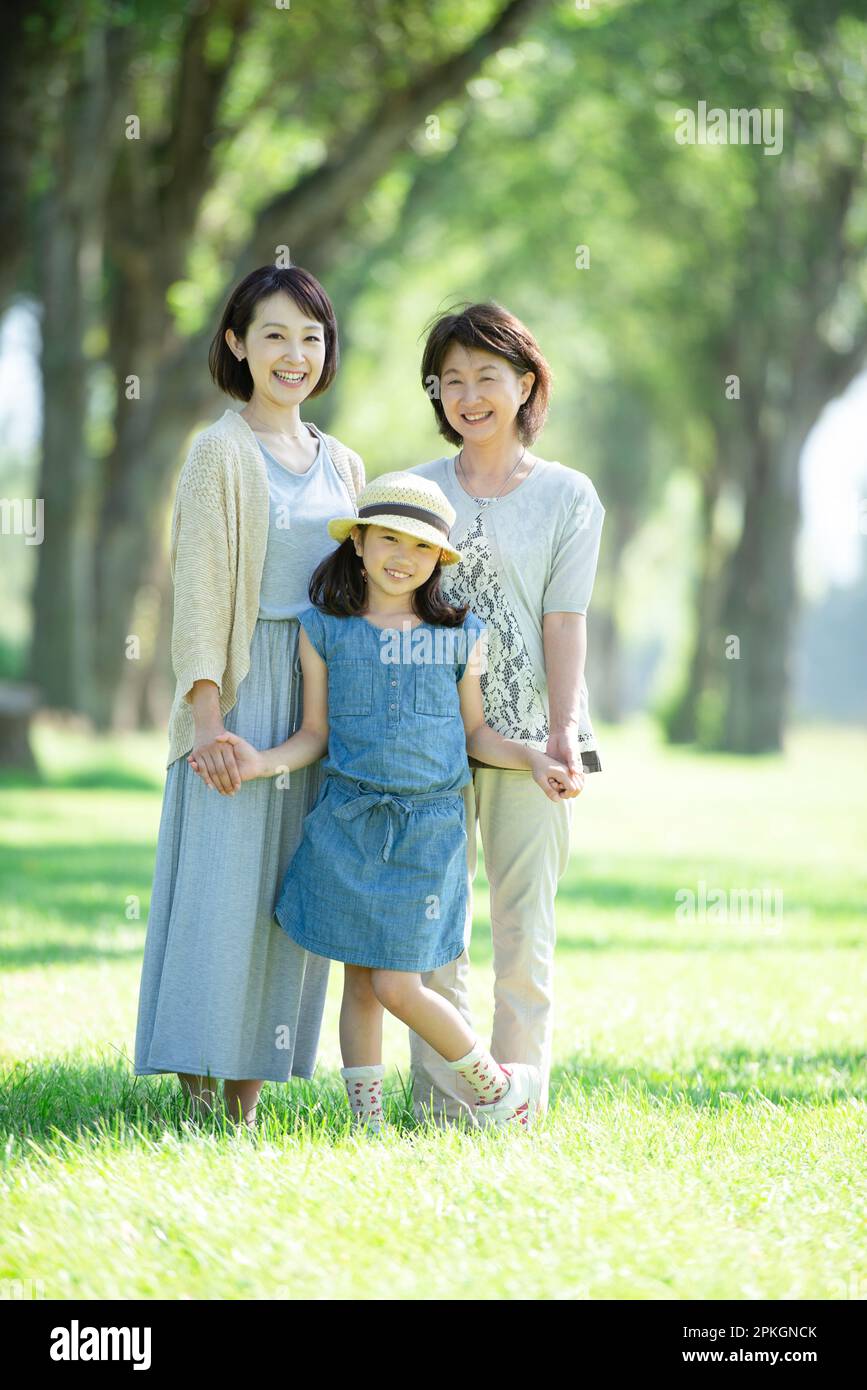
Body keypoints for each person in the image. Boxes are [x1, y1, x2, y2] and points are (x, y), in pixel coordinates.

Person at [187, 472, 581, 1134]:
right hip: (347, 823)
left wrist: (537, 756)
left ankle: (497, 1086)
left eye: (421, 548)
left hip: (427, 829)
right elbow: (314, 735)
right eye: (389, 540)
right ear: (360, 544)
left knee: (400, 984)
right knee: (361, 986)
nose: (403, 557)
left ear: (438, 562)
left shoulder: (460, 634)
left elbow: (477, 733)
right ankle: (366, 1128)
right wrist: (262, 763)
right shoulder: (323, 632)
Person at [133, 264, 365, 1130]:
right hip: (237, 690)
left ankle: (247, 1103)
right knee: (219, 896)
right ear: (237, 343)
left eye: (310, 337)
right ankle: (195, 1092)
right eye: (273, 334)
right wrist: (207, 720)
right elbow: (195, 590)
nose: (293, 354)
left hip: (315, 702)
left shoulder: (343, 462)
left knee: (284, 902)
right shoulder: (217, 452)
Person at [407, 300, 605, 1127]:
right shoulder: (413, 490)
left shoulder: (567, 495)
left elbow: (565, 620)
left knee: (524, 932)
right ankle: (445, 1108)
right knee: (431, 931)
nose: (468, 396)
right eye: (451, 381)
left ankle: (517, 1100)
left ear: (525, 385)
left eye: (486, 377)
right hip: (427, 743)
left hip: (533, 737)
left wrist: (560, 732)